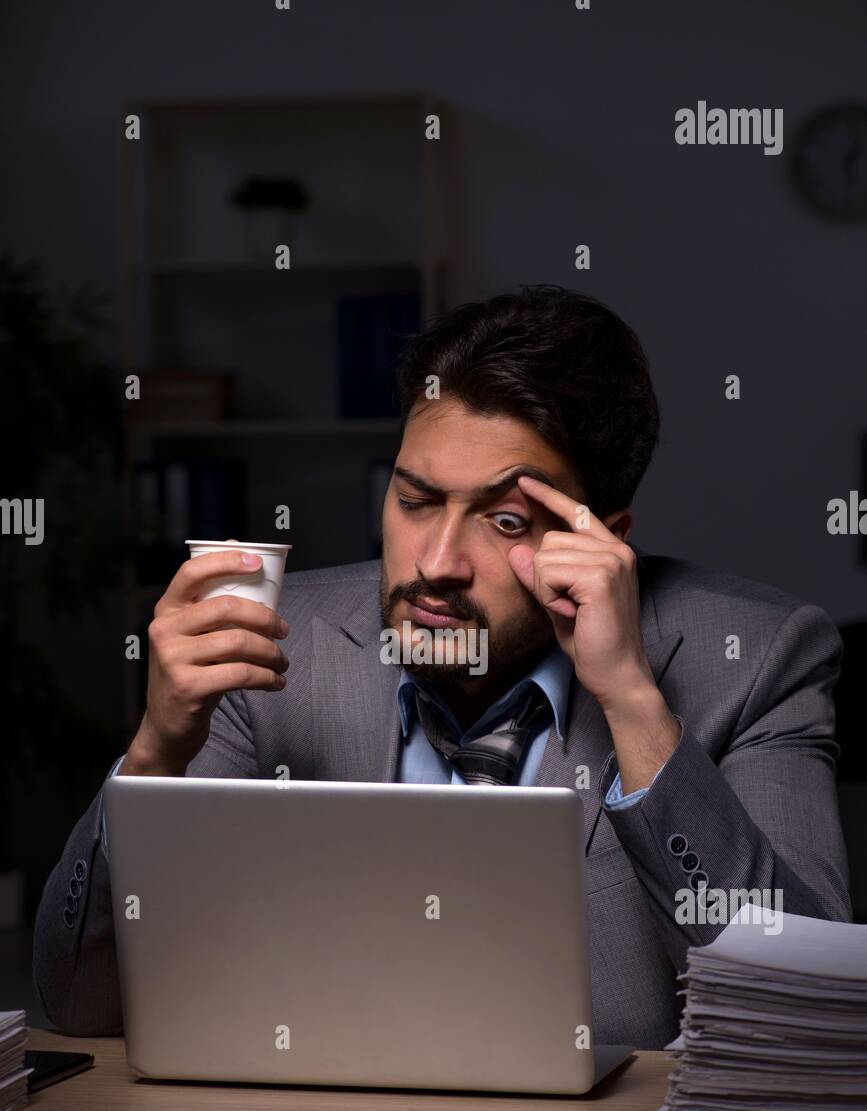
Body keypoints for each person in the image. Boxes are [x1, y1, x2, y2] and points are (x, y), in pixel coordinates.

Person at [33, 286, 852, 1044]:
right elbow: (81, 1005)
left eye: (505, 521)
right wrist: (155, 753)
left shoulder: (757, 659)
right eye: (415, 501)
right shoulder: (271, 647)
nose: (435, 564)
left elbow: (804, 1018)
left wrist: (632, 703)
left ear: (603, 540)